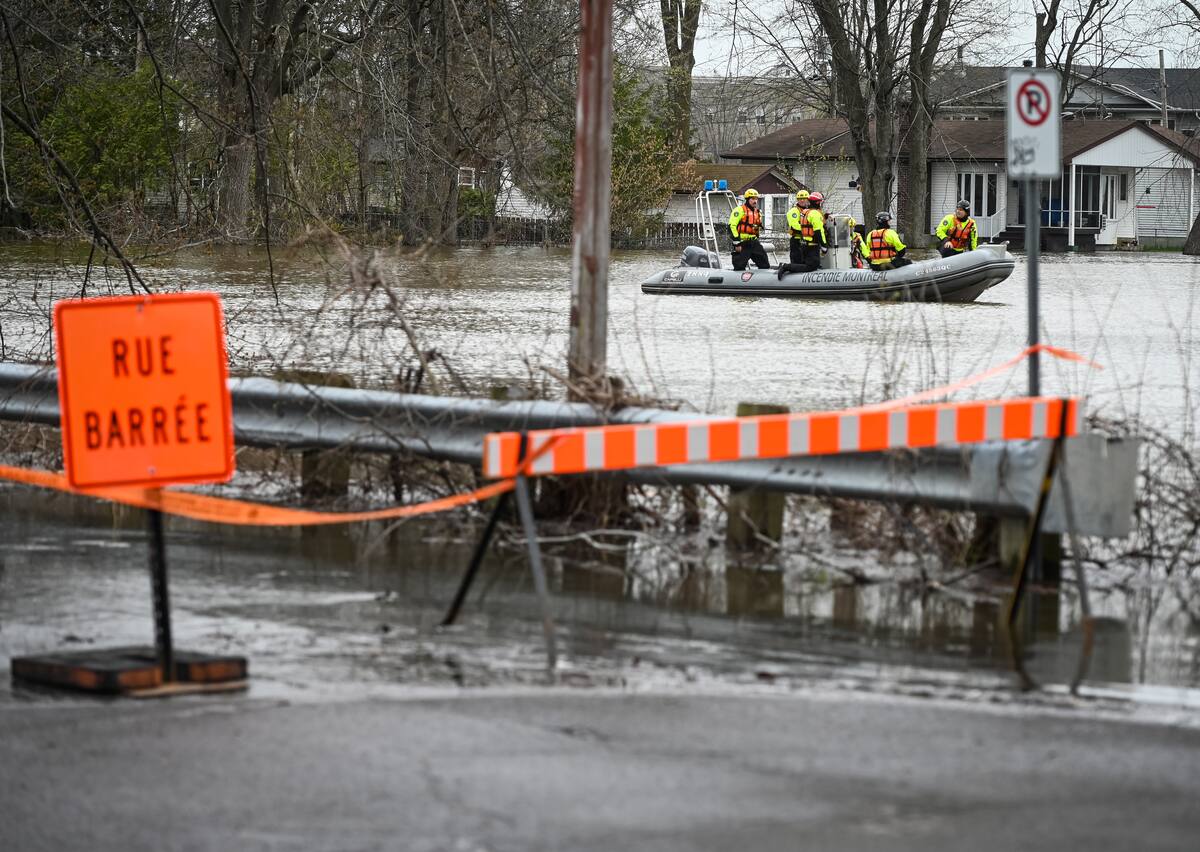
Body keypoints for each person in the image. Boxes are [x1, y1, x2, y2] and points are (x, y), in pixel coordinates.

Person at [728, 188, 770, 271]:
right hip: (742, 243)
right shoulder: (739, 210)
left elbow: (755, 226)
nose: (755, 201)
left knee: (765, 264)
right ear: (747, 199)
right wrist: (737, 243)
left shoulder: (757, 212)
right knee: (739, 266)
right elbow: (731, 226)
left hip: (754, 242)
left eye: (756, 199)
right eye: (752, 199)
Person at [785, 190, 810, 265]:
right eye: (800, 199)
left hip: (807, 240)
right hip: (797, 240)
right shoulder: (793, 211)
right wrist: (809, 230)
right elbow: (794, 225)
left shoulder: (810, 211)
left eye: (804, 198)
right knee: (797, 260)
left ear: (807, 199)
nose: (802, 200)